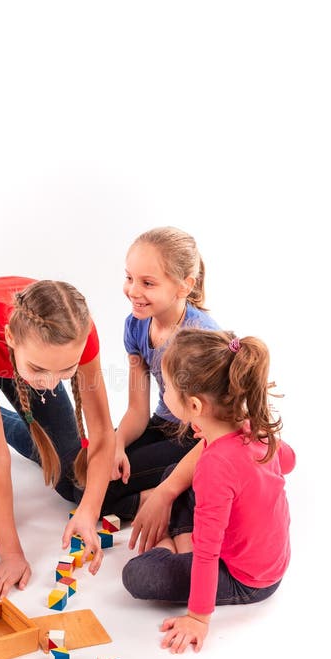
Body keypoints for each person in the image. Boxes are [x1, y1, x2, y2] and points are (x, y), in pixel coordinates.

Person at [0, 276, 115, 601]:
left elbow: (101, 432)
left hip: (22, 355)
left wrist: (88, 512)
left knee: (72, 479)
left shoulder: (76, 337)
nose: (50, 384)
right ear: (11, 337)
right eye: (41, 371)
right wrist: (11, 553)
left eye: (66, 371)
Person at [122, 328, 296, 653]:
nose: (164, 395)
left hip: (245, 579)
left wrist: (198, 618)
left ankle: (171, 545)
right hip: (269, 560)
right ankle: (178, 539)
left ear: (194, 404)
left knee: (138, 575)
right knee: (177, 472)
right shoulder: (250, 427)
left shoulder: (216, 467)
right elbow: (288, 461)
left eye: (168, 388)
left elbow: (207, 552)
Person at [100, 227, 220, 541]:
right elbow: (137, 410)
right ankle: (146, 494)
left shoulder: (201, 338)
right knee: (84, 472)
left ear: (184, 287)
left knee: (100, 489)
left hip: (195, 438)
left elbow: (217, 431)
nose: (133, 291)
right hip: (160, 425)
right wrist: (116, 444)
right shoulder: (136, 325)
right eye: (130, 278)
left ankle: (160, 496)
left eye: (148, 283)